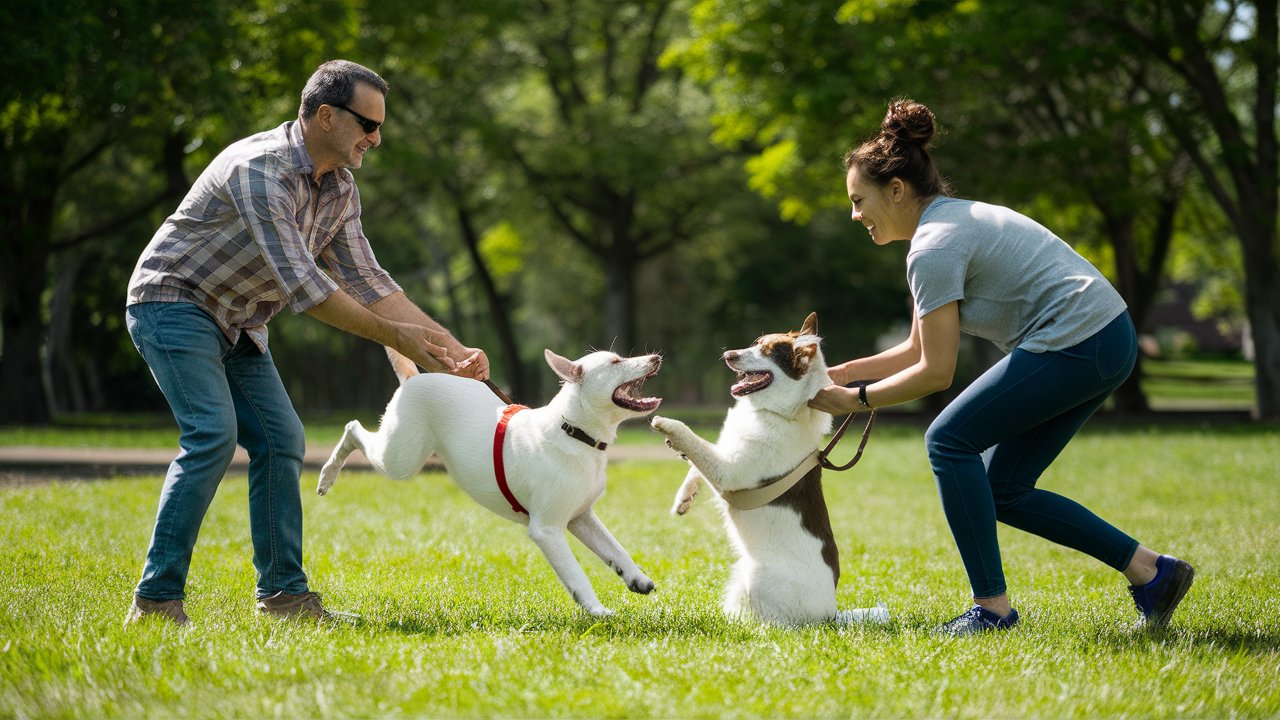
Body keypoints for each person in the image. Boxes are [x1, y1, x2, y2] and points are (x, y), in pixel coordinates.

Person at [123, 60, 489, 626]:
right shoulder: (258, 170)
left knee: (281, 438)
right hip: (173, 301)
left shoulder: (340, 187)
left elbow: (369, 283)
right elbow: (308, 290)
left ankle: (284, 598)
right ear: (324, 116)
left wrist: (449, 349)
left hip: (240, 320)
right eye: (368, 124)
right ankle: (156, 601)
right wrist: (400, 340)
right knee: (212, 435)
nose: (377, 137)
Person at [809, 99, 1194, 636]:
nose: (854, 214)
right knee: (1002, 487)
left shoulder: (933, 247)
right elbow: (916, 348)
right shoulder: (945, 225)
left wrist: (855, 401)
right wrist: (842, 374)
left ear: (895, 190)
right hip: (1107, 336)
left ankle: (991, 609)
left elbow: (935, 373)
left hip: (1080, 339)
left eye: (858, 200)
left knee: (948, 440)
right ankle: (1153, 573)